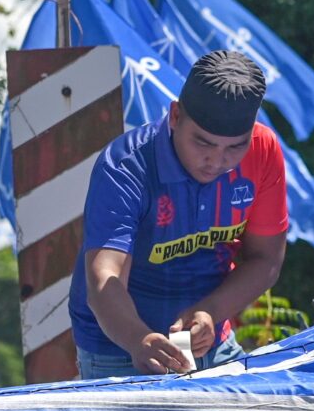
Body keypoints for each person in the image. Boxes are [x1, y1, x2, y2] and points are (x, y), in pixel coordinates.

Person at [67, 50, 288, 378]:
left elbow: (266, 260)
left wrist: (210, 312)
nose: (217, 161)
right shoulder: (126, 165)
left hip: (210, 338)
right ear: (174, 116)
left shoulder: (264, 150)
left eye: (235, 148)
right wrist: (138, 339)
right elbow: (104, 278)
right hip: (117, 344)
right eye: (203, 143)